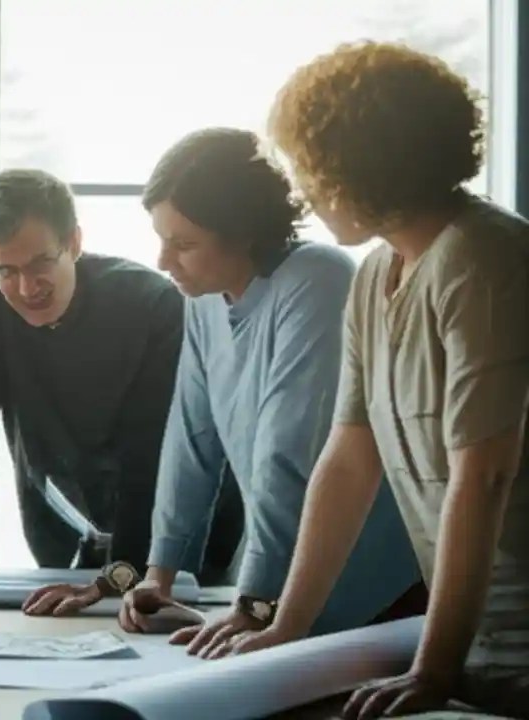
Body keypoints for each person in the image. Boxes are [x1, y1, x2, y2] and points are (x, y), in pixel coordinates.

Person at [21, 128, 425, 652]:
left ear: (243, 233)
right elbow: (189, 440)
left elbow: (285, 458)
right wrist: (157, 574)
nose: (165, 262)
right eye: (162, 239)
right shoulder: (204, 300)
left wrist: (255, 602)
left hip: (381, 590)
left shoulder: (318, 281)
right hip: (287, 581)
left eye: (184, 244)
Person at [227, 42, 529, 719]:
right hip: (471, 651)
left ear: (359, 163)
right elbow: (348, 460)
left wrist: (434, 669)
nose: (302, 189)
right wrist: (286, 627)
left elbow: (483, 477)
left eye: (308, 166)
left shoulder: (484, 258)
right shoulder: (372, 275)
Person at [0, 168, 235, 630]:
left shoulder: (153, 305)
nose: (27, 289)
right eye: (5, 270)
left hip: (183, 537)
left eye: (41, 262)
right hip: (71, 524)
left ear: (75, 243)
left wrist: (113, 581)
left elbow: (150, 461)